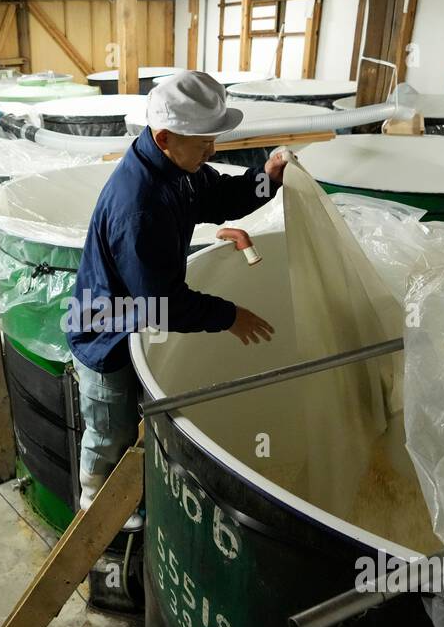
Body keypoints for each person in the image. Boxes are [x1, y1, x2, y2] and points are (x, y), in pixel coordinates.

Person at [65, 70, 285, 526]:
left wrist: (268, 178)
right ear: (165, 136)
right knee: (109, 428)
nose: (212, 150)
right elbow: (160, 303)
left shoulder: (175, 169)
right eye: (204, 141)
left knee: (131, 418)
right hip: (103, 330)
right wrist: (229, 316)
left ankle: (125, 487)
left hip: (134, 313)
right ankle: (94, 500)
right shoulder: (140, 206)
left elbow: (221, 195)